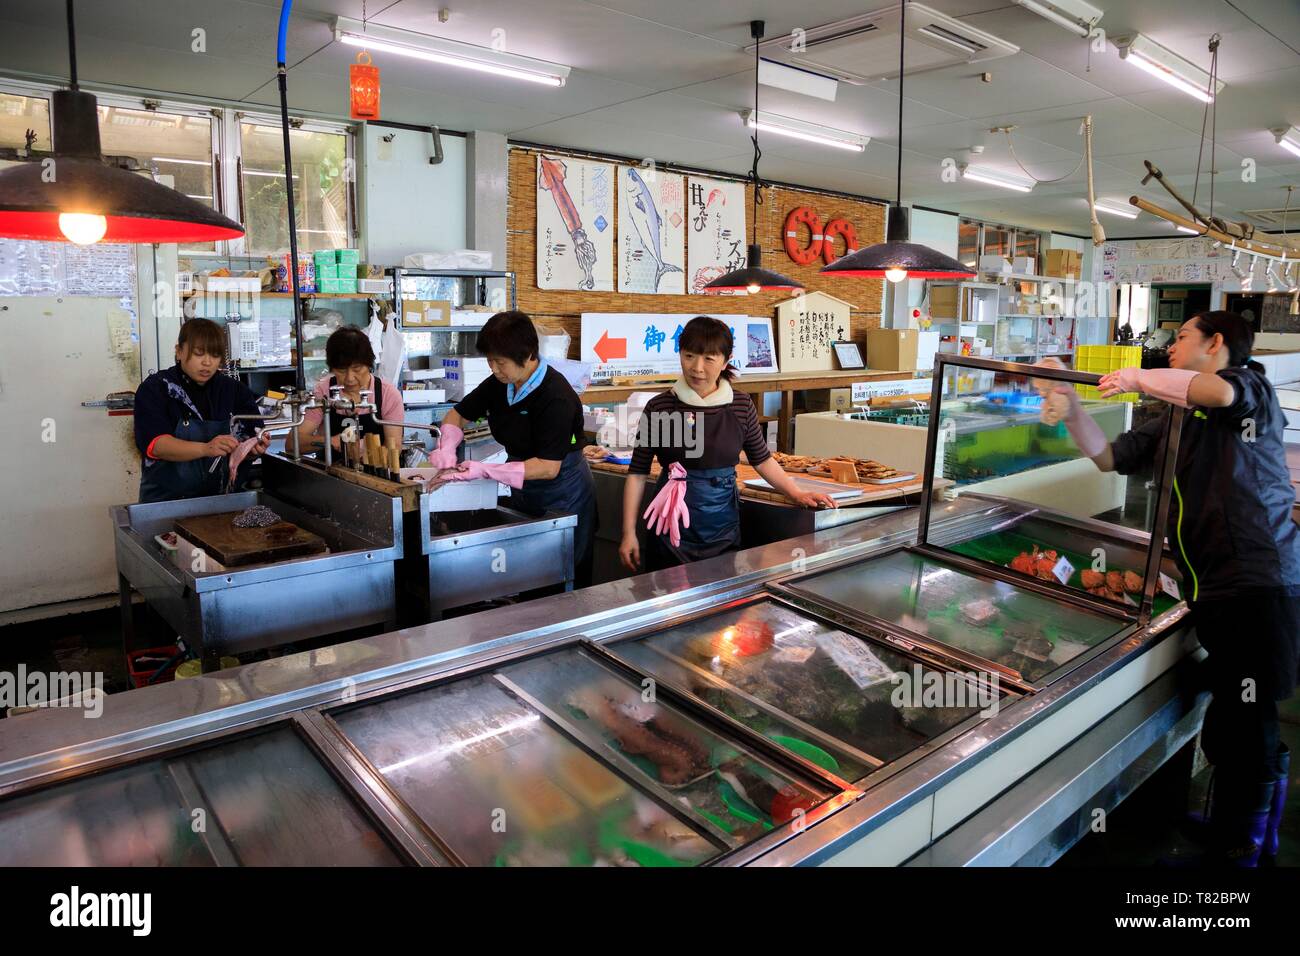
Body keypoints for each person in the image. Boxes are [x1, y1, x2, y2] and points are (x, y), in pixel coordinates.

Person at [1040, 310, 1299, 866]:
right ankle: (1232, 828)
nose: (1171, 346)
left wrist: (1134, 375)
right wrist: (1073, 407)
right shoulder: (1176, 417)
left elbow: (1219, 393)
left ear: (1217, 344)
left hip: (1259, 582)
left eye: (1182, 337)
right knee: (1233, 718)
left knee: (1251, 721)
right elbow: (1111, 457)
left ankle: (1250, 847)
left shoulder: (1248, 387)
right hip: (1212, 587)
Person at [620, 316, 837, 573]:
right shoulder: (660, 407)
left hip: (721, 522)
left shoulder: (740, 405)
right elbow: (637, 473)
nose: (697, 367)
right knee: (668, 599)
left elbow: (762, 459)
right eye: (688, 356)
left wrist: (796, 493)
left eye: (708, 359)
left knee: (719, 592)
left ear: (726, 360)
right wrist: (628, 533)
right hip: (670, 522)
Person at [433, 311, 597, 588]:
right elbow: (458, 414)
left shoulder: (556, 396)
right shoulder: (502, 383)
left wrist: (486, 470)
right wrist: (448, 443)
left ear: (529, 355)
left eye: (500, 362)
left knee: (562, 579)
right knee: (529, 578)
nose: (494, 369)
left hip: (562, 495)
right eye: (490, 361)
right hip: (523, 490)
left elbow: (548, 466)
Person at [134, 318, 269, 503]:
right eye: (199, 354)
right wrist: (206, 448)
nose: (207, 362)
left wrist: (254, 448)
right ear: (179, 351)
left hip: (224, 501)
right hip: (165, 503)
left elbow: (254, 434)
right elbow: (156, 445)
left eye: (214, 355)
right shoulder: (157, 388)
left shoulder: (234, 390)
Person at [295, 326, 404, 456]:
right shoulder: (323, 391)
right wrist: (330, 441)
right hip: (329, 472)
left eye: (357, 369)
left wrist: (366, 452)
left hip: (374, 473)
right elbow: (293, 444)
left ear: (369, 364)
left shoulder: (387, 394)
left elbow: (394, 448)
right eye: (341, 371)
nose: (350, 378)